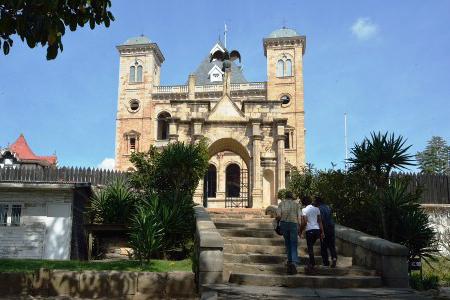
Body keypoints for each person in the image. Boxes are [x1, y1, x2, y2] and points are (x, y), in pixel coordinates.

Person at [276, 190, 301, 275]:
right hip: (294, 224)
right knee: (293, 243)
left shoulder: (281, 203)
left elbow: (278, 215)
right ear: (292, 197)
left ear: (285, 197)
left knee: (287, 243)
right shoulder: (296, 204)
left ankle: (290, 261)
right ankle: (293, 262)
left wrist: (277, 222)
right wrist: (300, 227)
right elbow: (299, 217)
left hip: (284, 224)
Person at [300, 196, 324, 272]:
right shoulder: (317, 209)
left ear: (304, 202)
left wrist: (300, 230)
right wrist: (322, 232)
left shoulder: (304, 210)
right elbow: (320, 221)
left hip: (309, 230)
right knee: (311, 247)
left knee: (310, 248)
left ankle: (312, 264)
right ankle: (311, 263)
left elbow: (304, 221)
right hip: (317, 230)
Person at [315, 196, 337, 268]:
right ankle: (334, 257)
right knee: (331, 244)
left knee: (324, 246)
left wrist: (321, 231)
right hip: (331, 227)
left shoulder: (319, 209)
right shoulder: (328, 207)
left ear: (317, 202)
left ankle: (326, 262)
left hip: (325, 227)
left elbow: (321, 220)